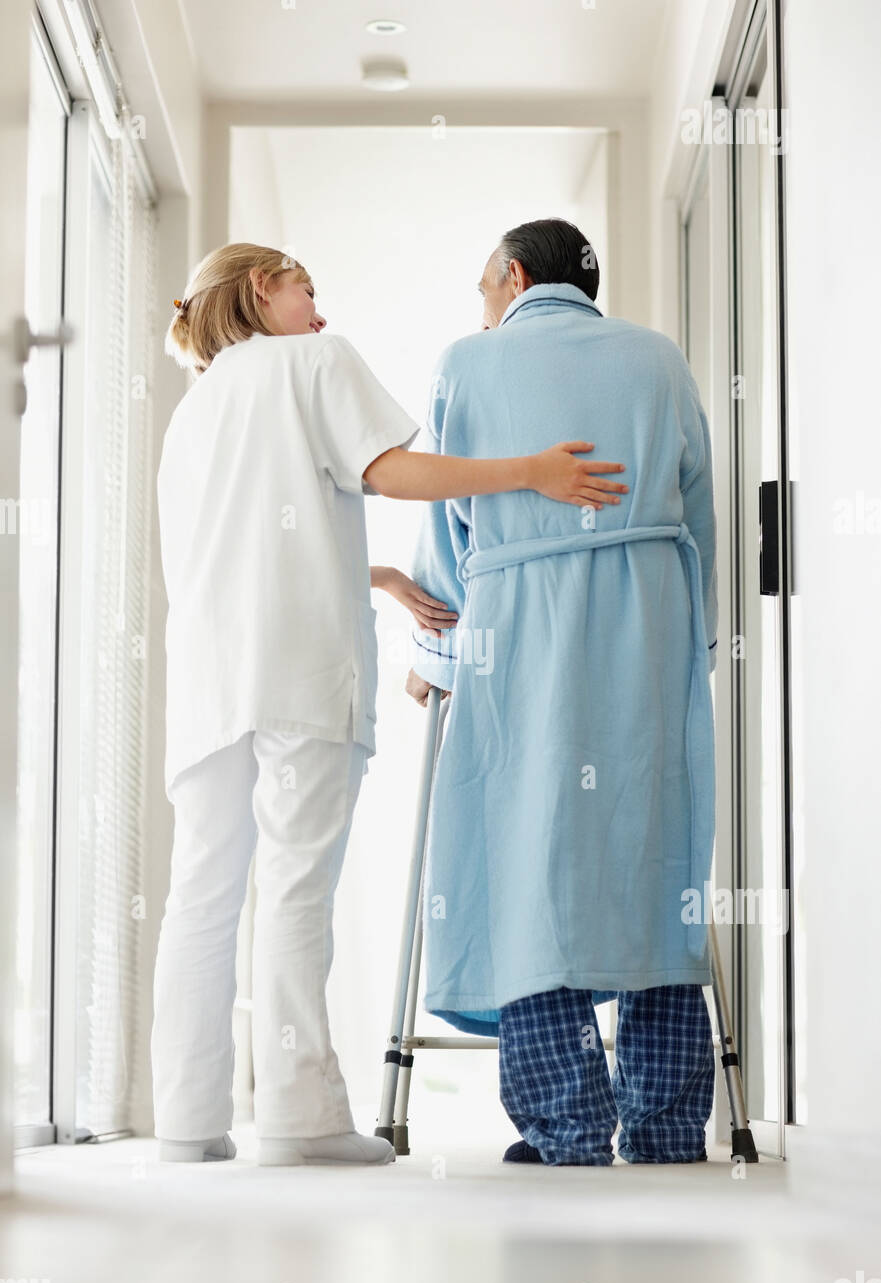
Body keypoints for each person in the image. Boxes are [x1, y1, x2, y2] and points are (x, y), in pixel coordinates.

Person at [151, 241, 627, 1167]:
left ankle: (186, 1123)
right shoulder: (312, 361)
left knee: (199, 897)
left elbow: (242, 540)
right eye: (307, 289)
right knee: (294, 887)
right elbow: (391, 472)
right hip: (297, 675)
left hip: (210, 681)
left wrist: (372, 574)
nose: (321, 313)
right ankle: (299, 1122)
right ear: (262, 287)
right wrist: (528, 469)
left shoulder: (196, 405)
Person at [407, 218, 718, 1167]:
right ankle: (664, 1125)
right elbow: (697, 502)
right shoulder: (659, 357)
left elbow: (448, 522)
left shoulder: (469, 361)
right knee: (655, 853)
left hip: (516, 621)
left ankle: (567, 1125)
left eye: (483, 285)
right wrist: (690, 639)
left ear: (509, 276)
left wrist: (437, 661)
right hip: (648, 614)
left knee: (525, 854)